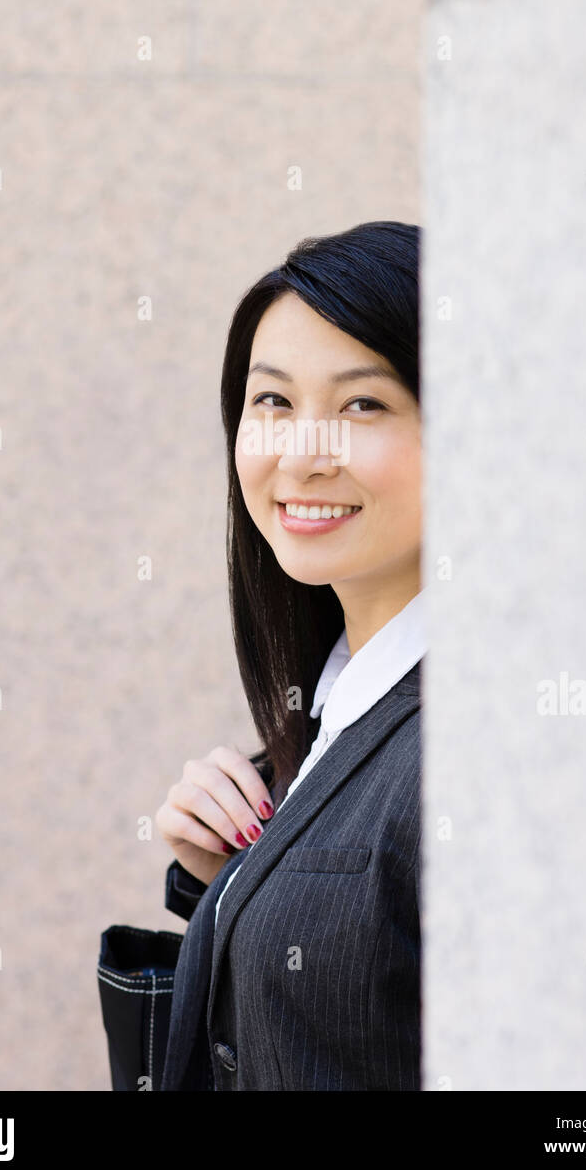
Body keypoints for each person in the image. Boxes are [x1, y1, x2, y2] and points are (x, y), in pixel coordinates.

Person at [154, 220, 425, 1090]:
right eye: (272, 402)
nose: (301, 455)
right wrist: (232, 882)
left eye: (362, 405)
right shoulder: (342, 700)